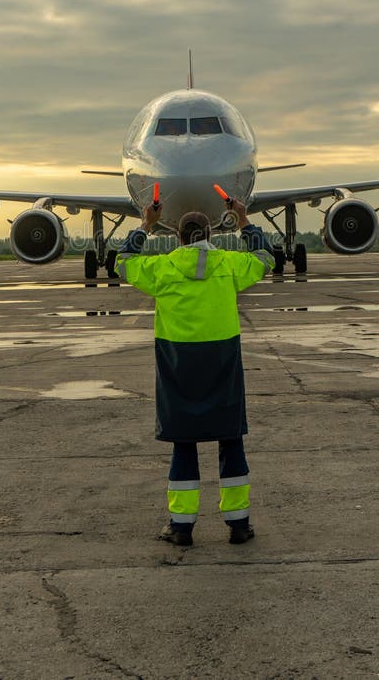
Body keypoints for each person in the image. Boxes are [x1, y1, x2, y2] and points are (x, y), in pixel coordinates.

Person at [116, 199, 274, 546]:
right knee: (231, 442)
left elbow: (123, 263)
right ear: (209, 233)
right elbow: (267, 258)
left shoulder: (163, 269)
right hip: (222, 365)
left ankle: (181, 527)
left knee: (183, 444)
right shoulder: (229, 264)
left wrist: (145, 224)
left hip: (179, 367)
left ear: (177, 237)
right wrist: (245, 219)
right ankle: (239, 525)